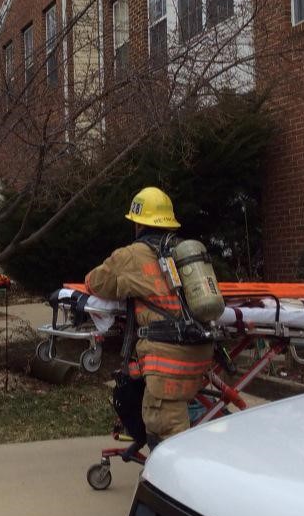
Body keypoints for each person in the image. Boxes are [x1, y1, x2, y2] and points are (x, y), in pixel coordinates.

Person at [85, 187, 213, 450]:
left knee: (165, 434)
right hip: (201, 353)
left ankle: (173, 486)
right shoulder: (183, 252)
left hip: (166, 359)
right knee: (186, 414)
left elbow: (95, 282)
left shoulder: (131, 255)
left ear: (138, 224)